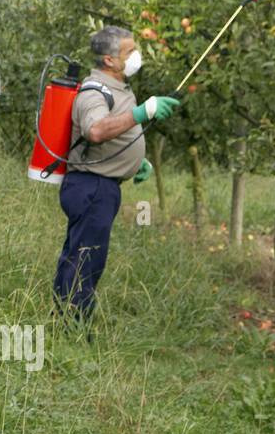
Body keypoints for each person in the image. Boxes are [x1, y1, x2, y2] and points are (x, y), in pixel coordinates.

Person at [53, 25, 180, 325]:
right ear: (109, 60)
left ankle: (66, 318)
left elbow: (116, 133)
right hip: (91, 187)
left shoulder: (118, 87)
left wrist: (137, 162)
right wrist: (143, 112)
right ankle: (72, 325)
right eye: (129, 51)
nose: (136, 56)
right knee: (86, 258)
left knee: (83, 255)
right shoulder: (94, 90)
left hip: (100, 187)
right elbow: (96, 130)